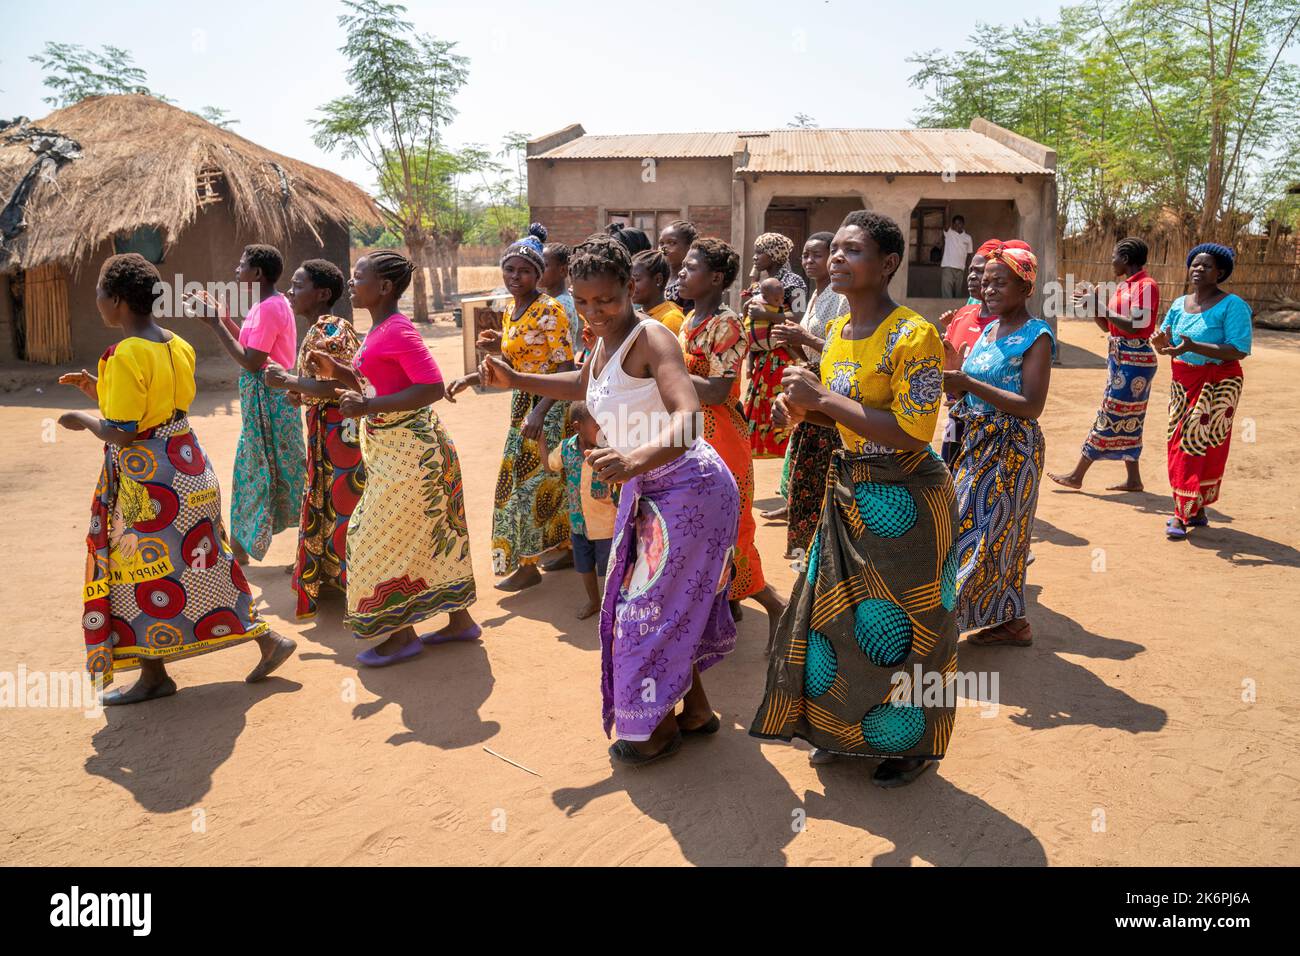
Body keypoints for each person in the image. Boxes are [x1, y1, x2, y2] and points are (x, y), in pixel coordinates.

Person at [479, 234, 739, 766]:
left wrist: (635, 461)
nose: (594, 312)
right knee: (657, 606)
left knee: (642, 612)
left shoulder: (653, 338)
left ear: (629, 289)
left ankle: (657, 730)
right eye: (583, 301)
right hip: (650, 489)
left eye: (607, 300)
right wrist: (516, 378)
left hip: (691, 490)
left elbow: (689, 418)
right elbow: (585, 383)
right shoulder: (602, 343)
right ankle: (693, 713)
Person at [749, 211, 953, 788]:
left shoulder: (916, 335)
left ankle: (909, 744)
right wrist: (802, 405)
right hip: (851, 492)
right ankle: (841, 730)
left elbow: (914, 428)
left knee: (907, 628)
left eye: (852, 250)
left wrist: (825, 400)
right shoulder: (838, 334)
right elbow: (836, 409)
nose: (836, 258)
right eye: (834, 248)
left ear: (888, 264)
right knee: (834, 622)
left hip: (909, 498)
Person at [58, 253, 296, 704]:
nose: (97, 303)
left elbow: (121, 431)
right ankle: (268, 641)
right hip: (188, 462)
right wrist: (96, 386)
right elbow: (158, 405)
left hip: (150, 478)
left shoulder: (124, 353)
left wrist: (81, 416)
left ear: (119, 301)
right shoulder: (176, 344)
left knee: (138, 571)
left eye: (99, 295)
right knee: (206, 562)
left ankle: (153, 677)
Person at [301, 251, 479, 664]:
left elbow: (432, 387)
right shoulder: (380, 328)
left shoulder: (398, 330)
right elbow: (377, 379)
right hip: (394, 452)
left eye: (358, 277)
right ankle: (460, 620)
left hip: (413, 457)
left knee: (370, 536)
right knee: (432, 534)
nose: (351, 283)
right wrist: (338, 371)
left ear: (383, 287)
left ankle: (400, 635)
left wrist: (365, 407)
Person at [446, 223, 575, 591]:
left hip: (549, 406)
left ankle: (529, 564)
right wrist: (474, 375)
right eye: (509, 269)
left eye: (524, 271)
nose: (514, 276)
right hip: (524, 403)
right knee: (542, 482)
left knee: (525, 486)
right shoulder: (511, 310)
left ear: (538, 274)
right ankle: (560, 548)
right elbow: (516, 363)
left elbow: (565, 369)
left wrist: (540, 412)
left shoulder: (549, 310)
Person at [943, 241, 1055, 647]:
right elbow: (972, 386)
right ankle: (1011, 622)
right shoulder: (990, 329)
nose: (988, 289)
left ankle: (943, 628)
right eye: (985, 282)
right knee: (978, 532)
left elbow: (1032, 405)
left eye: (999, 282)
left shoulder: (1036, 336)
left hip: (1011, 448)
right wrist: (955, 370)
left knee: (988, 534)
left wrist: (968, 382)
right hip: (976, 441)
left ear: (1025, 287)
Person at [677, 237, 787, 645]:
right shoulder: (690, 321)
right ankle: (724, 607)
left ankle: (775, 604)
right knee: (702, 527)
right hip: (693, 436)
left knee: (730, 529)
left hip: (721, 437)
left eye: (692, 267)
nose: (682, 272)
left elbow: (719, 390)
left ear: (716, 278)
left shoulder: (726, 323)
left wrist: (666, 373)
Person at [190, 244, 306, 566]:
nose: (236, 270)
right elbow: (251, 344)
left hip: (271, 405)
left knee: (275, 470)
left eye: (241, 265)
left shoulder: (269, 308)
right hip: (264, 405)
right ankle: (243, 548)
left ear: (257, 273)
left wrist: (214, 324)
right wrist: (225, 319)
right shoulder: (267, 304)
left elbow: (253, 361)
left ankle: (298, 548)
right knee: (262, 469)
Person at [263, 259, 364, 620]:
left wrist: (290, 382)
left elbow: (340, 384)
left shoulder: (330, 328)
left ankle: (359, 586)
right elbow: (321, 385)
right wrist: (301, 392)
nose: (291, 291)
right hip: (327, 428)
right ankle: (337, 580)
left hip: (342, 433)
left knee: (342, 502)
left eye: (298, 285)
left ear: (322, 293)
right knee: (331, 502)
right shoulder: (322, 327)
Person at [1152, 243, 1251, 541]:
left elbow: (1238, 350)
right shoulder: (1180, 303)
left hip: (1218, 383)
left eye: (1206, 266)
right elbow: (1167, 342)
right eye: (1195, 264)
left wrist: (1194, 346)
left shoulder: (1233, 305)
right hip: (1183, 381)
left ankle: (1181, 514)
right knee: (1180, 441)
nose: (1198, 269)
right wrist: (1160, 342)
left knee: (1198, 444)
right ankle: (1195, 508)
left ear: (1220, 272)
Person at [1049, 237, 1161, 492]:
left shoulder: (1147, 286)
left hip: (1136, 360)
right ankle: (1134, 480)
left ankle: (1077, 475)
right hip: (1119, 357)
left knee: (1109, 413)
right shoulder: (1124, 287)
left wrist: (1099, 304)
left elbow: (1136, 325)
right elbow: (1109, 326)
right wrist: (1094, 304)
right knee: (1130, 416)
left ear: (1126, 258)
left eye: (1114, 256)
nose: (1111, 261)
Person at [765, 232, 847, 554]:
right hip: (811, 385)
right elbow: (811, 355)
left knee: (818, 473)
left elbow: (842, 354)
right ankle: (805, 551)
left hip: (827, 392)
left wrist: (806, 339)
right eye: (806, 255)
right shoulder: (815, 295)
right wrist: (793, 342)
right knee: (802, 469)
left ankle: (818, 552)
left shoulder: (840, 298)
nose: (809, 261)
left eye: (817, 255)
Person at [541, 401, 617, 620]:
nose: (604, 430)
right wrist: (541, 440)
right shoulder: (566, 449)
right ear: (577, 427)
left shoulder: (610, 450)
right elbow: (549, 465)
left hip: (606, 525)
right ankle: (594, 602)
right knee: (584, 567)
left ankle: (612, 606)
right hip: (579, 523)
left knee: (610, 570)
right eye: (598, 425)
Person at [741, 232, 807, 459]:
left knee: (782, 413)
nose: (755, 257)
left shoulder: (794, 282)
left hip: (781, 357)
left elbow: (798, 315)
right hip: (761, 358)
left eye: (761, 252)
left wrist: (767, 313)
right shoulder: (760, 284)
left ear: (775, 255)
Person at [938, 240, 998, 465]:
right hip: (955, 420)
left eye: (980, 271)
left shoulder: (1005, 325)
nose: (972, 276)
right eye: (971, 269)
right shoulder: (962, 315)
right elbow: (948, 363)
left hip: (990, 426)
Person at [630, 248, 686, 335]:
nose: (630, 285)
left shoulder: (671, 319)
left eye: (637, 280)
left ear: (658, 280)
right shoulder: (638, 314)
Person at [542, 242, 581, 354]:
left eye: (545, 265)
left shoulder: (559, 305)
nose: (538, 269)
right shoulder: (553, 300)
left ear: (563, 270)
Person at [658, 219, 697, 312]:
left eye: (672, 243)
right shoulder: (658, 278)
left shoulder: (690, 282)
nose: (664, 248)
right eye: (661, 243)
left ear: (689, 247)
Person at [939, 215, 973, 299]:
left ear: (963, 224)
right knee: (947, 291)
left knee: (958, 292)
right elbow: (945, 225)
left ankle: (957, 311)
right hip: (948, 266)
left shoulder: (968, 238)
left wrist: (970, 267)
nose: (958, 226)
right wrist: (948, 202)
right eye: (955, 224)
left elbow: (969, 254)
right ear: (952, 225)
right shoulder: (949, 233)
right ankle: (946, 308)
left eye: (960, 223)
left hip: (960, 268)